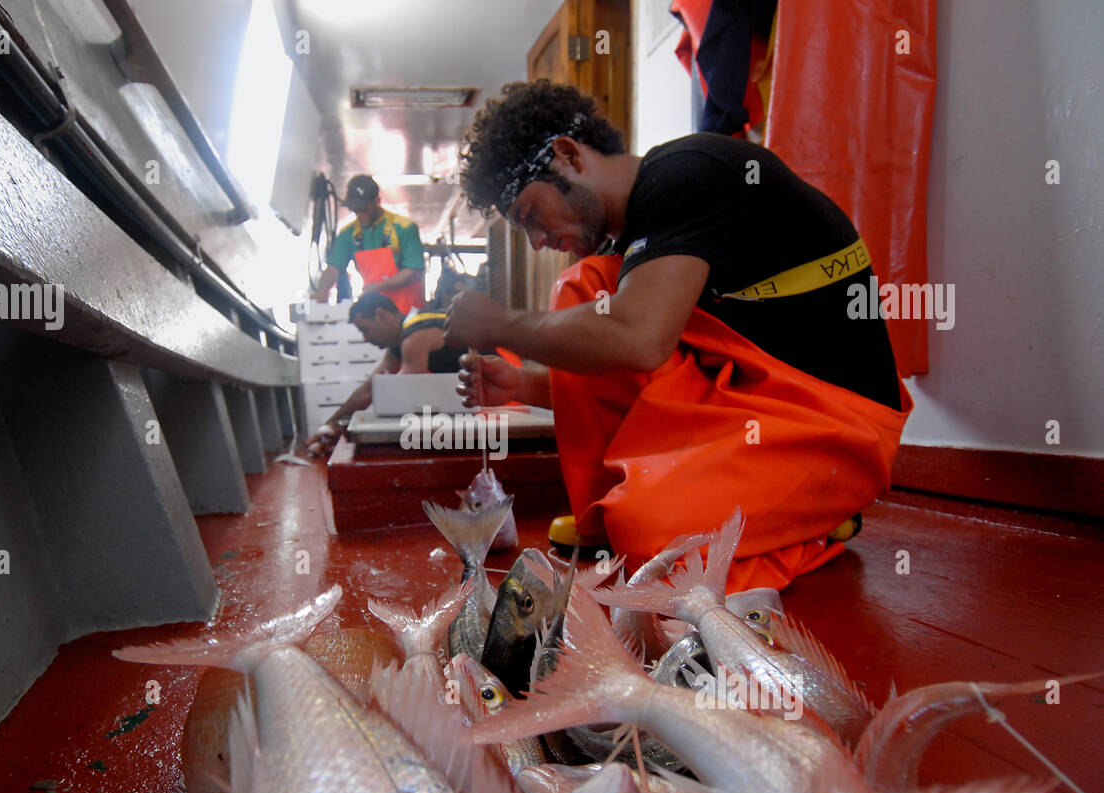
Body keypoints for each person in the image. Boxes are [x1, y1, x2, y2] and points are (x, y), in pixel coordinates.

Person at [444, 79, 912, 591]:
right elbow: (645, 367)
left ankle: (813, 525)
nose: (536, 242)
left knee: (653, 541)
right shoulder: (640, 238)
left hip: (836, 426)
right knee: (585, 287)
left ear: (567, 156)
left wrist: (499, 324)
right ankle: (606, 514)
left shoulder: (688, 176)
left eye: (529, 215)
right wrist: (524, 387)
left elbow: (640, 340)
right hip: (757, 400)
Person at [306, 292, 464, 456]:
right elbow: (369, 389)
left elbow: (401, 391)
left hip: (487, 402)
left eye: (365, 329)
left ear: (380, 315)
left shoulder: (416, 336)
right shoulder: (404, 337)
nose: (366, 338)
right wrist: (331, 424)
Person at [312, 175, 426, 315]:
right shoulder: (349, 234)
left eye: (363, 209)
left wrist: (379, 287)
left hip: (408, 312)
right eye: (355, 210)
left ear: (377, 201)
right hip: (376, 315)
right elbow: (333, 267)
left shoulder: (404, 228)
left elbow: (414, 270)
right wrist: (322, 290)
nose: (359, 215)